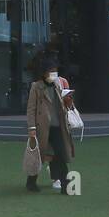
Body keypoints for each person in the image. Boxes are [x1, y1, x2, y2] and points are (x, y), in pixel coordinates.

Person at [25, 56, 74, 195]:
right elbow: (31, 109)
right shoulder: (36, 87)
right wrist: (32, 128)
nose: (54, 74)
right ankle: (31, 181)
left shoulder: (57, 85)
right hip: (42, 128)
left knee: (60, 154)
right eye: (51, 71)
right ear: (44, 72)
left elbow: (61, 106)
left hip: (58, 126)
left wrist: (68, 100)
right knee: (39, 156)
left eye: (55, 71)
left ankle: (65, 184)